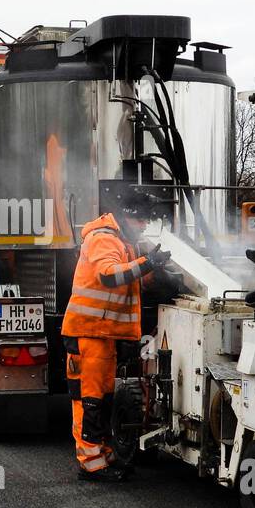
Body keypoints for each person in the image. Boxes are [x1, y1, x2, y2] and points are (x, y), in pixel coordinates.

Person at [61, 194, 170, 482]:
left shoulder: (122, 242)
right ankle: (89, 461)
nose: (145, 225)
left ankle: (100, 452)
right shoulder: (103, 238)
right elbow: (110, 276)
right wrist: (148, 263)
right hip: (88, 332)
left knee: (103, 396)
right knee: (90, 398)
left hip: (102, 333)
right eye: (142, 218)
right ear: (127, 216)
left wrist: (156, 269)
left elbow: (132, 277)